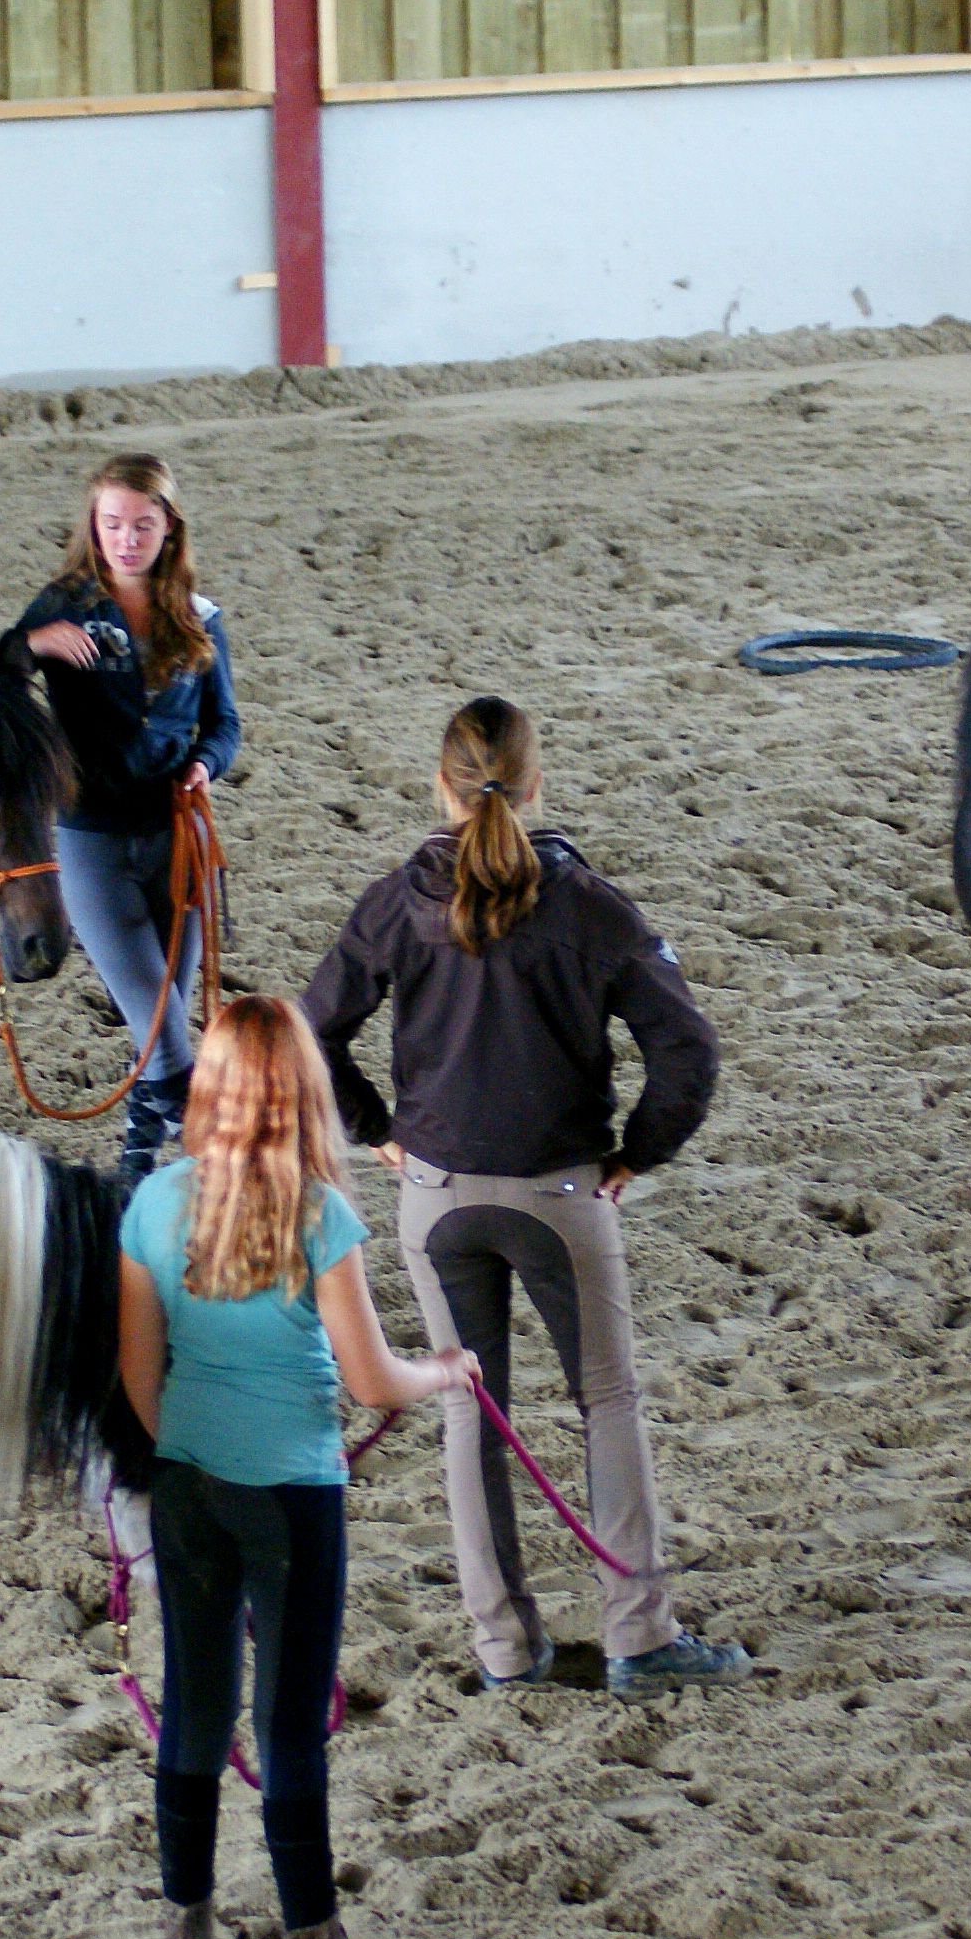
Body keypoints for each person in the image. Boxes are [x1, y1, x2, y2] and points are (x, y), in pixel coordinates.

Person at [300, 698, 748, 1700]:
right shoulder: (592, 907)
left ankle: (505, 1650)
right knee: (608, 1401)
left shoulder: (393, 902)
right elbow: (687, 1048)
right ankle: (639, 1631)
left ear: (439, 785)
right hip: (559, 1190)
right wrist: (640, 1151)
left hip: (437, 1197)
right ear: (533, 783)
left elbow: (309, 1029)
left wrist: (377, 1130)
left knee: (472, 1410)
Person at [118, 996, 472, 1939]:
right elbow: (369, 1381)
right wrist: (442, 1374)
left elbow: (137, 1380)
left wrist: (186, 1447)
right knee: (286, 1726)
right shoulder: (320, 1214)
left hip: (187, 1485)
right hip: (293, 1494)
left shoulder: (152, 1204)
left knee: (191, 1708)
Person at [3, 453, 241, 1185]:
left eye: (142, 524)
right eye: (112, 524)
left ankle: (139, 1157)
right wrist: (33, 645)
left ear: (169, 528)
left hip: (179, 839)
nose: (126, 539)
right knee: (165, 1035)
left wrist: (208, 762)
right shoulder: (61, 605)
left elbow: (225, 722)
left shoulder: (198, 618)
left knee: (163, 1018)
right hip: (91, 837)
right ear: (94, 528)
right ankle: (220, 1163)